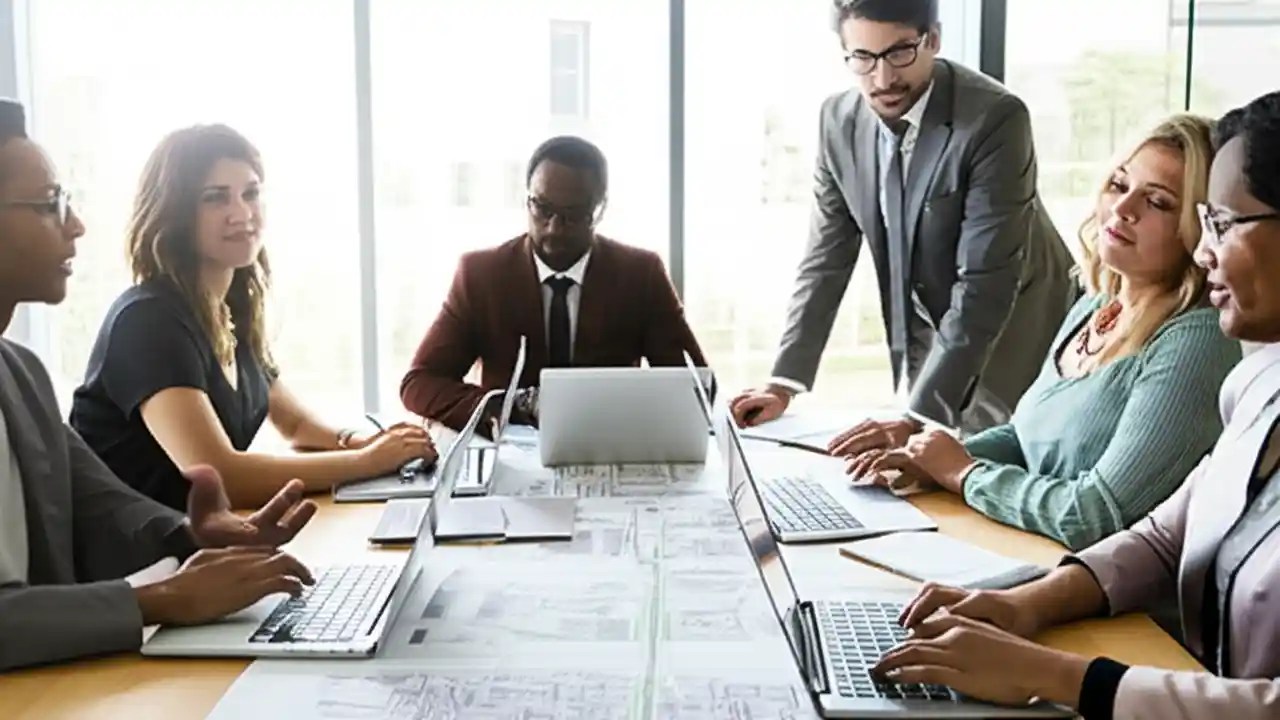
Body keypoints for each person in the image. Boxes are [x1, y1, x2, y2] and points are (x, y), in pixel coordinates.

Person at [873, 91, 1280, 719]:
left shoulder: (1200, 344)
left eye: (1221, 224)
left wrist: (1054, 674)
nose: (1205, 250)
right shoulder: (1257, 386)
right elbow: (1163, 539)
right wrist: (1021, 606)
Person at [0, 98, 316, 671]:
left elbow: (104, 506)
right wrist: (159, 599)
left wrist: (198, 536)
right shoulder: (148, 318)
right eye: (51, 205)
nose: (76, 224)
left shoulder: (20, 374)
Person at [845, 115, 1241, 550]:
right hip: (1029, 555)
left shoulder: (1197, 341)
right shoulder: (1095, 307)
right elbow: (1023, 439)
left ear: (1201, 228)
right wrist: (927, 456)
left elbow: (1094, 515)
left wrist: (963, 472)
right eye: (1119, 184)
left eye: (1158, 202)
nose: (1124, 209)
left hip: (1114, 605)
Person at [730, 0, 1075, 446]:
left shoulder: (996, 118)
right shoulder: (837, 121)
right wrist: (784, 381)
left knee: (986, 457)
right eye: (863, 58)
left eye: (899, 53)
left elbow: (985, 283)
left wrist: (917, 417)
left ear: (933, 39)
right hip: (932, 314)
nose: (883, 79)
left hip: (1016, 316)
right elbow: (825, 260)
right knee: (918, 457)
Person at [69, 124, 435, 510]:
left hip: (199, 546)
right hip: (142, 561)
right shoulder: (146, 321)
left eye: (251, 193)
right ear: (175, 212)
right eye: (215, 199)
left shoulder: (228, 312)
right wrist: (367, 462)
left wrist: (364, 441)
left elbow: (296, 426)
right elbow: (220, 477)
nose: (241, 213)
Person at [400, 135, 707, 430]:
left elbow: (697, 388)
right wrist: (512, 405)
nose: (554, 228)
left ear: (599, 209)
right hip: (511, 451)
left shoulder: (641, 275)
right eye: (542, 208)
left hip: (608, 450)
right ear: (527, 199)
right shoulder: (481, 274)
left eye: (573, 215)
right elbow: (419, 383)